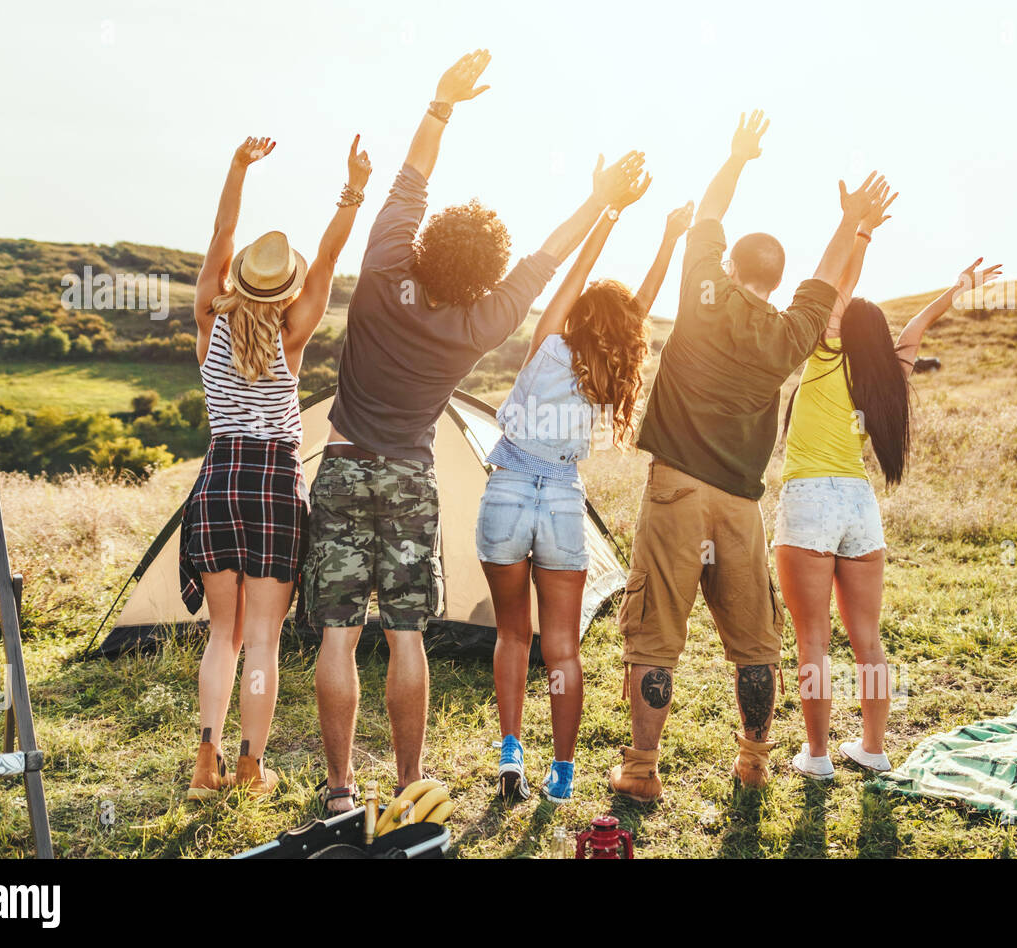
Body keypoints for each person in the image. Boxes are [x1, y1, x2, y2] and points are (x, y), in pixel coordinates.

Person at [306, 49, 649, 813]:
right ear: (485, 274)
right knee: (404, 636)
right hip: (410, 479)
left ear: (426, 246)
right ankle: (406, 785)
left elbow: (409, 182)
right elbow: (545, 260)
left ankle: (337, 791)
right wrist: (599, 201)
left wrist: (440, 105)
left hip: (339, 466)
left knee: (336, 636)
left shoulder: (387, 258)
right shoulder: (479, 324)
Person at [610, 109, 893, 802]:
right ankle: (755, 760)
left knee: (654, 639)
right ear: (777, 279)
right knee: (756, 645)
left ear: (732, 266)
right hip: (741, 505)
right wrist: (853, 223)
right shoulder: (793, 331)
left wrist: (737, 157)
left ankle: (641, 772)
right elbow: (827, 281)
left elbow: (710, 210)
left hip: (676, 489)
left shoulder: (702, 290)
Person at [481, 159, 695, 804]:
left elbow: (576, 279)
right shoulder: (610, 379)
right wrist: (669, 239)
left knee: (512, 634)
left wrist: (610, 211)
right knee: (564, 649)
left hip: (509, 489)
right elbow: (640, 310)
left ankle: (512, 750)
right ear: (625, 337)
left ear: (576, 317)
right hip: (564, 502)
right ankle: (565, 773)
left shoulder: (548, 344)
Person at [183, 134, 372, 800]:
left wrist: (236, 166)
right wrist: (353, 189)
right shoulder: (291, 335)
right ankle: (249, 765)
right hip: (274, 485)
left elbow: (221, 230)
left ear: (237, 280)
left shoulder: (210, 319)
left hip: (217, 481)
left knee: (222, 637)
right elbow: (328, 254)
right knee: (261, 638)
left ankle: (205, 763)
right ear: (283, 289)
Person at [776, 223, 1001, 780]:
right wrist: (956, 291)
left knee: (813, 639)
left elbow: (838, 291)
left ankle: (820, 756)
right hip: (859, 505)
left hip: (809, 498)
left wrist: (859, 236)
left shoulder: (826, 354)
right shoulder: (886, 374)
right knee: (868, 640)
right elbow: (918, 327)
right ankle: (873, 749)